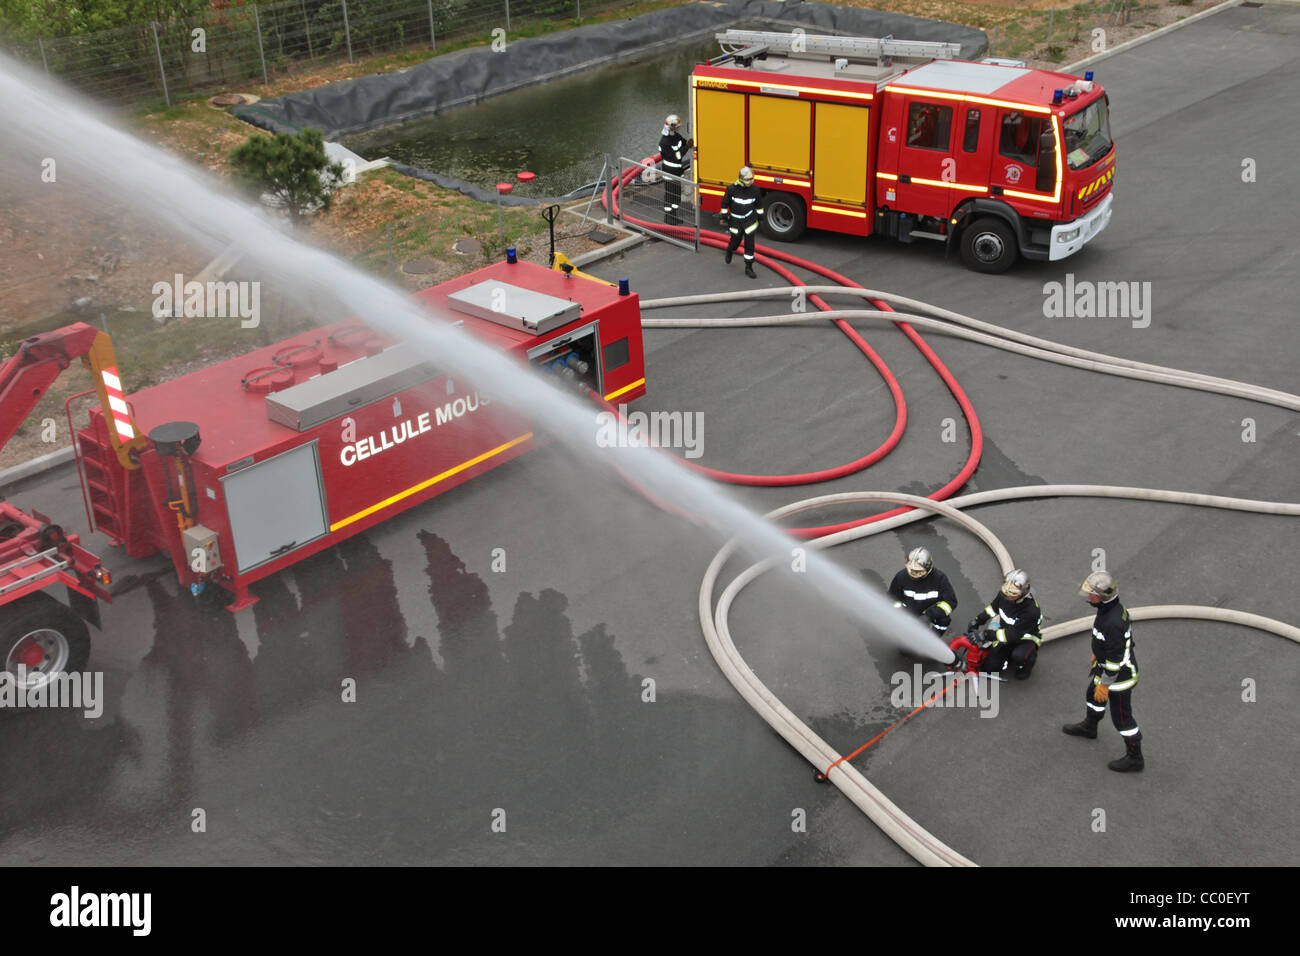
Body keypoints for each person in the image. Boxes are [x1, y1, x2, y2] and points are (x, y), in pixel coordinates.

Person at [1062, 571, 1144, 772]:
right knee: (1092, 695)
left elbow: (1116, 660)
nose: (1089, 598)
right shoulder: (1109, 610)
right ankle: (1090, 726)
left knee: (1122, 718)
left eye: (1092, 594)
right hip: (1105, 667)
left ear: (1104, 597)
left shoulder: (1113, 621)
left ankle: (1135, 757)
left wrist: (1106, 685)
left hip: (1119, 677)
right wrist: (1098, 656)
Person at [966, 568, 1041, 679]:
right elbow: (993, 608)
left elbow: (1012, 635)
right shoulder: (1005, 595)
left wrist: (986, 635)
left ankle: (1027, 665)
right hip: (1005, 634)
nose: (1008, 597)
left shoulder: (1031, 611)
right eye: (1006, 592)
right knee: (990, 668)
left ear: (1023, 593)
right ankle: (1007, 656)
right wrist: (978, 620)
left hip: (1025, 640)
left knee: (1019, 656)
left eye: (1012, 594)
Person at [888, 547, 957, 636]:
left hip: (931, 612)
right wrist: (903, 613)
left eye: (918, 571)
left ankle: (932, 640)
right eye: (911, 570)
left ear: (928, 568)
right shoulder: (901, 577)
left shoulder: (939, 579)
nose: (913, 573)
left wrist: (929, 616)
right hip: (909, 613)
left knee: (944, 620)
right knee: (904, 644)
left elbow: (951, 601)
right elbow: (891, 599)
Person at [720, 166, 763, 278]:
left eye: (752, 178)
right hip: (735, 221)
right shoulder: (731, 189)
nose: (751, 181)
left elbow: (759, 205)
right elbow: (725, 203)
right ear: (740, 179)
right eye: (748, 179)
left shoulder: (755, 190)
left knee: (750, 245)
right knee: (735, 242)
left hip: (750, 221)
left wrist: (761, 217)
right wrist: (724, 216)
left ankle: (748, 267)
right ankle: (730, 250)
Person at [659, 115, 691, 225]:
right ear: (671, 127)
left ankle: (674, 216)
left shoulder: (676, 136)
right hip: (669, 173)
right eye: (677, 127)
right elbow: (677, 156)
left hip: (677, 172)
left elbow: (683, 142)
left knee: (676, 196)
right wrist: (687, 146)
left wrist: (689, 143)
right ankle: (668, 218)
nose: (678, 129)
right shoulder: (664, 142)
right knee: (670, 195)